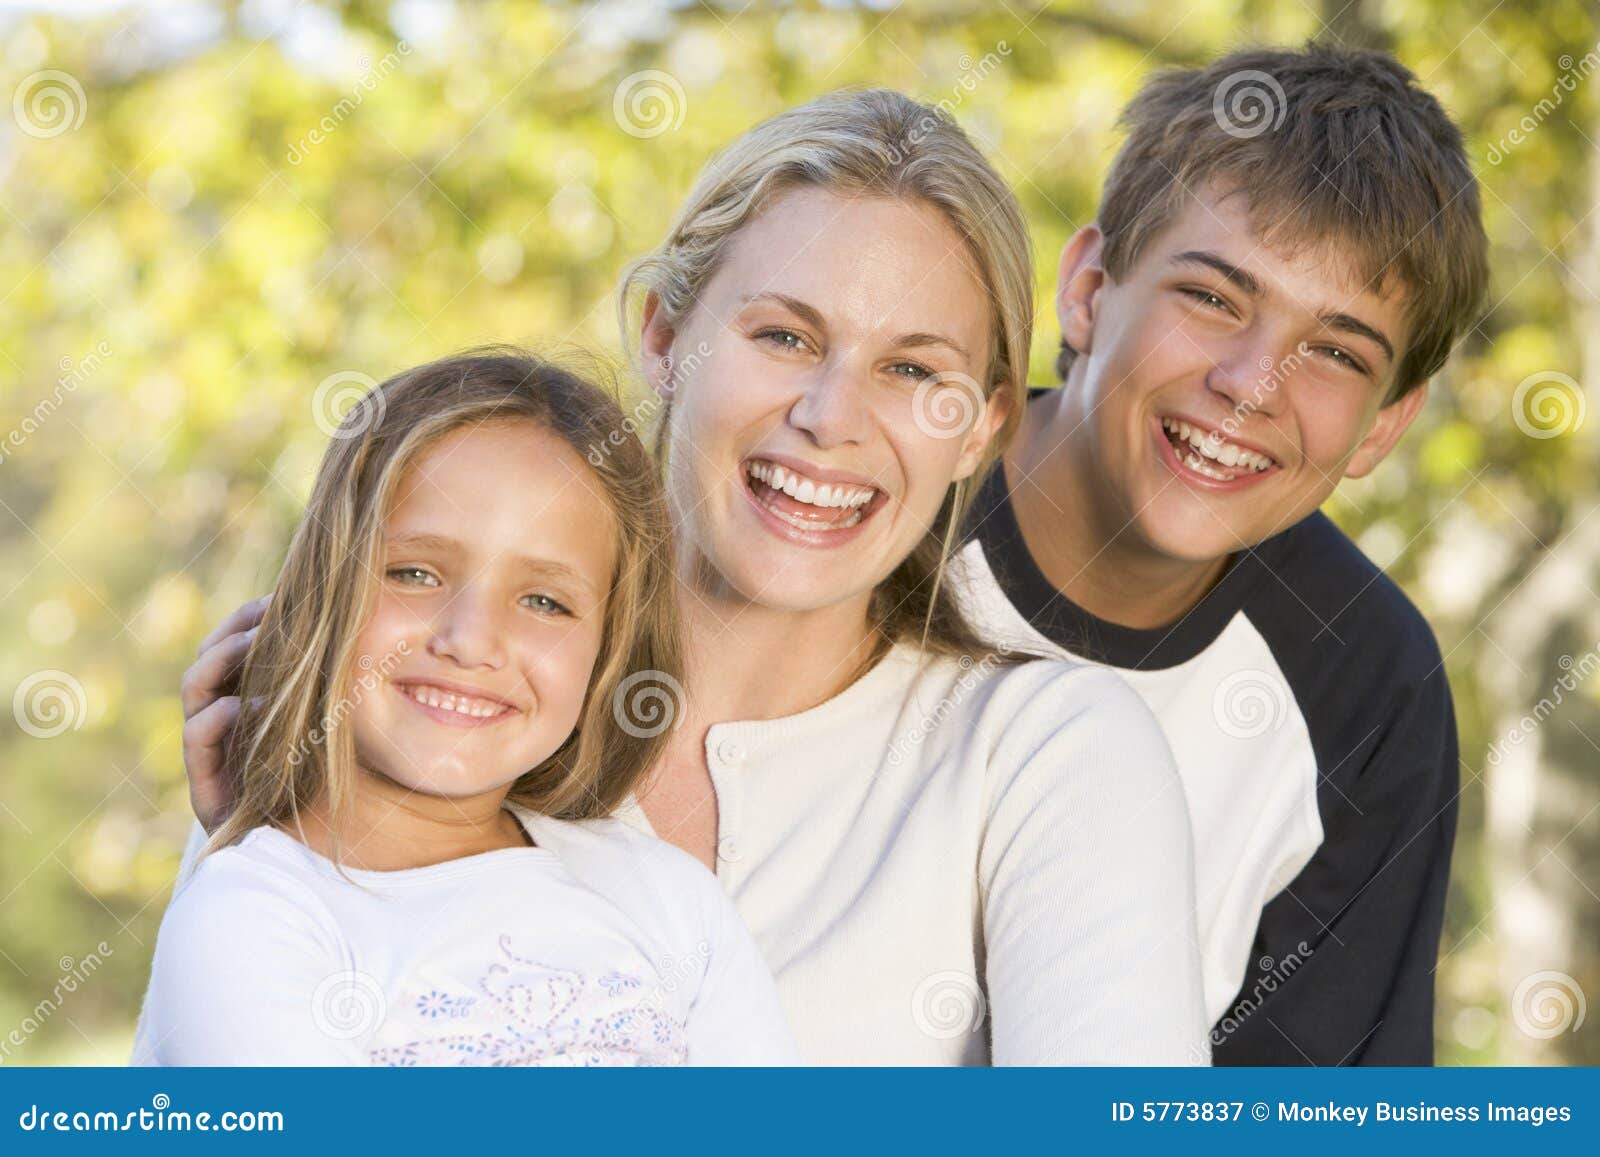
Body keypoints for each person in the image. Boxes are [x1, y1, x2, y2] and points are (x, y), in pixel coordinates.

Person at [174, 89, 1210, 1065]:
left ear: (981, 425)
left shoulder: (1047, 755)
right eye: (784, 335)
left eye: (910, 368)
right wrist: (296, 829)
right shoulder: (421, 697)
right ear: (665, 336)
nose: (829, 417)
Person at [954, 44, 1488, 1064]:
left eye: (1334, 351)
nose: (1250, 384)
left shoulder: (1367, 682)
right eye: (1212, 298)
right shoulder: (878, 511)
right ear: (1088, 289)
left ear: (1384, 424)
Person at [134, 353, 800, 1066]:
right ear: (317, 598)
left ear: (607, 653)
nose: (472, 640)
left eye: (545, 601)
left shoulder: (667, 898)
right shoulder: (251, 917)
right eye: (415, 573)